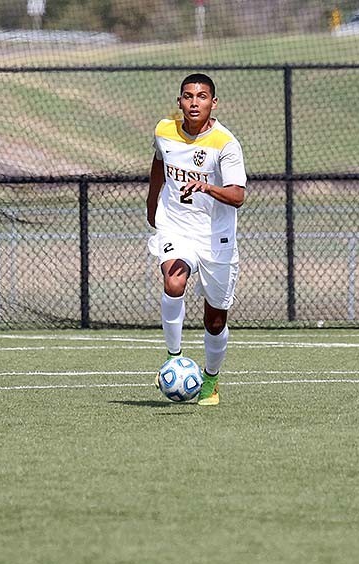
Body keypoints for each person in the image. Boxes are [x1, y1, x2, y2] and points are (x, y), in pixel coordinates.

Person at [146, 73, 247, 406]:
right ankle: (173, 358)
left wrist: (207, 187)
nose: (194, 102)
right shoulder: (164, 130)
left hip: (215, 238)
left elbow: (237, 196)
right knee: (174, 280)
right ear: (179, 102)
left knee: (215, 320)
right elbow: (159, 162)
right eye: (188, 96)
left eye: (202, 96)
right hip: (176, 226)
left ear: (213, 103)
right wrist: (151, 202)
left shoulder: (226, 144)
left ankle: (211, 380)